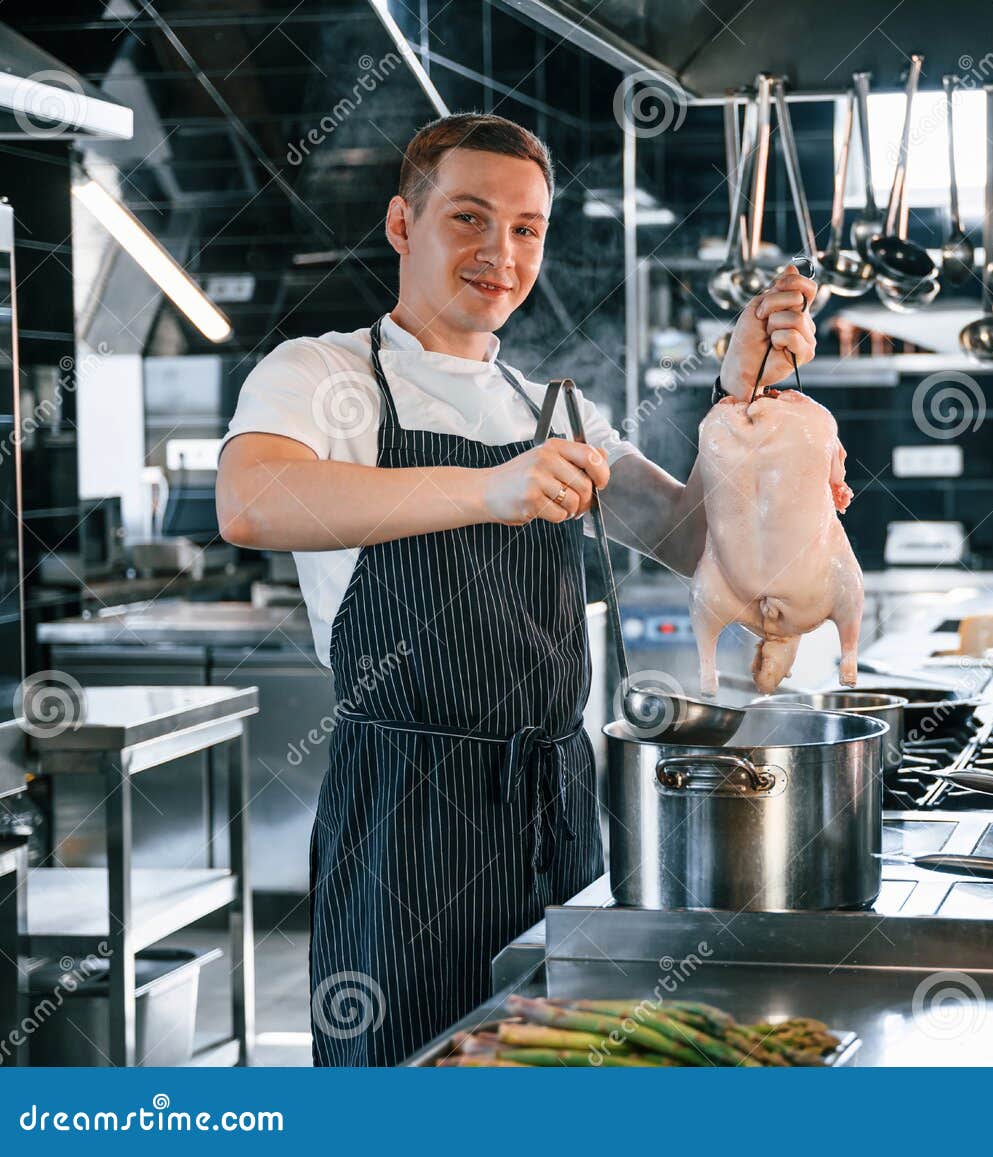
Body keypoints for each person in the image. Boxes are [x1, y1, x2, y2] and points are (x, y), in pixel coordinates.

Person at [216, 112, 816, 1065]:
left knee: (557, 1068)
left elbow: (698, 537)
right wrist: (491, 489)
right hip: (405, 818)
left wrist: (743, 397)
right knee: (400, 1076)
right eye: (469, 217)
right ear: (403, 225)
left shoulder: (557, 409)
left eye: (528, 227)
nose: (502, 252)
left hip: (555, 804)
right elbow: (251, 501)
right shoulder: (324, 375)